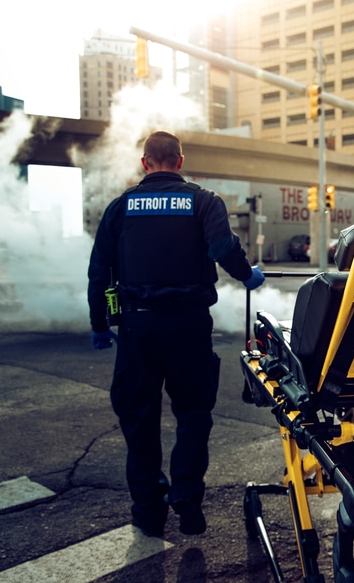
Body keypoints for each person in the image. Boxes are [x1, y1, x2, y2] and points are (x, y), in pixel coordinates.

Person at [87, 130, 265, 538]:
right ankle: (186, 494)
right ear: (180, 161)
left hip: (137, 326)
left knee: (139, 419)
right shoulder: (204, 201)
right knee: (194, 413)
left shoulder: (121, 207)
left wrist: (101, 324)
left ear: (145, 163)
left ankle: (149, 512)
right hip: (189, 325)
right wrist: (247, 275)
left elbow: (100, 273)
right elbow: (222, 248)